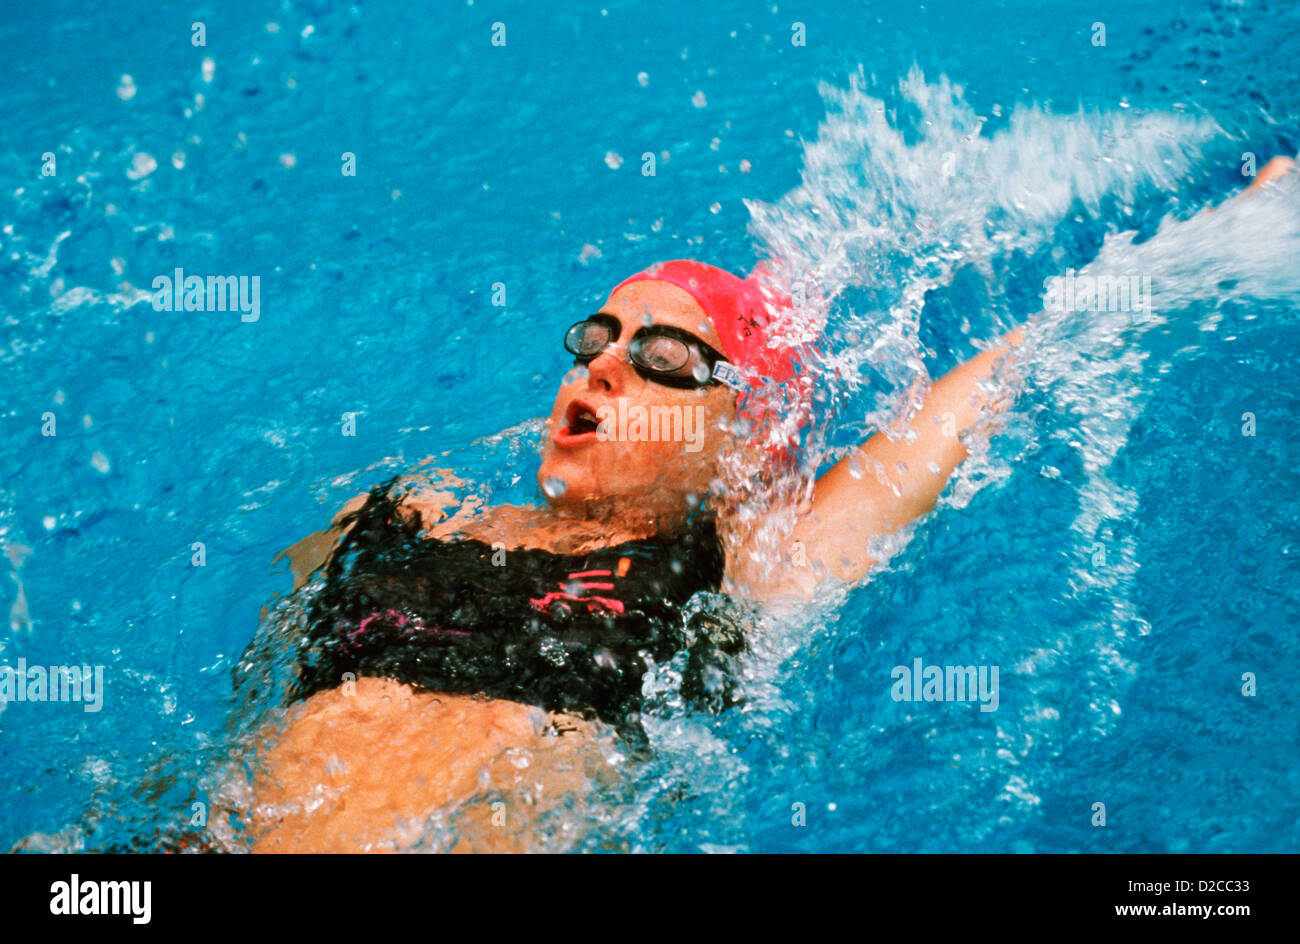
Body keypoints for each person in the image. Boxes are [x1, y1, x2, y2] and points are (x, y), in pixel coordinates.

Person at [236, 156, 1297, 853]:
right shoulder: (406, 512)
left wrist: (1221, 235)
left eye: (662, 356)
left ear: (738, 439)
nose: (605, 368)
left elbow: (971, 401)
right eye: (596, 340)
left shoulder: (742, 570)